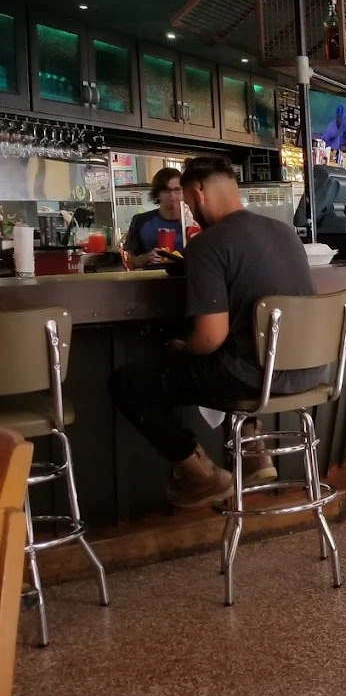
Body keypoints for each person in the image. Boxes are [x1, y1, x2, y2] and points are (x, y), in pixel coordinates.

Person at [111, 156, 322, 509]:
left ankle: (202, 474)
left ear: (198, 193)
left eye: (189, 203)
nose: (191, 213)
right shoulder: (284, 232)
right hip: (311, 370)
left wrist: (184, 347)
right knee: (231, 355)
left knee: (129, 382)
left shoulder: (207, 245)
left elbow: (209, 338)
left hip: (255, 378)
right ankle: (253, 449)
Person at [122, 167, 184, 268]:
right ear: (157, 194)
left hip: (186, 276)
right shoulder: (141, 220)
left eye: (177, 190)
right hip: (151, 276)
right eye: (166, 190)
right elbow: (128, 260)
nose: (172, 196)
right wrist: (144, 259)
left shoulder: (193, 221)